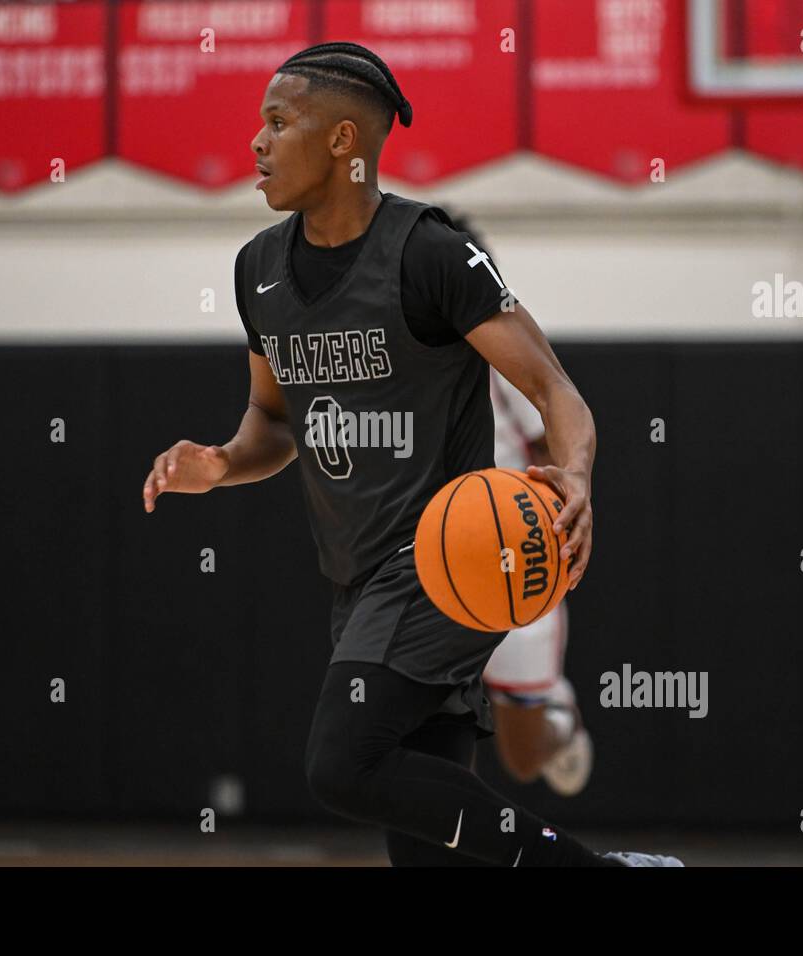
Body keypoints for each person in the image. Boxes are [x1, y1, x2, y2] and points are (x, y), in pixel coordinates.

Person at [144, 42, 679, 867]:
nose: (256, 141)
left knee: (340, 764)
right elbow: (273, 423)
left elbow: (555, 392)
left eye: (278, 122)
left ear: (344, 143)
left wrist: (573, 474)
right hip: (357, 582)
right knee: (425, 851)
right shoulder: (258, 272)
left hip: (443, 560)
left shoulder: (430, 254)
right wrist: (219, 462)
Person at [484, 367, 594, 797]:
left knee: (523, 759)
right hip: (425, 549)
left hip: (514, 551)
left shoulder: (490, 332)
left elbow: (551, 429)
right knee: (429, 734)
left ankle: (561, 719)